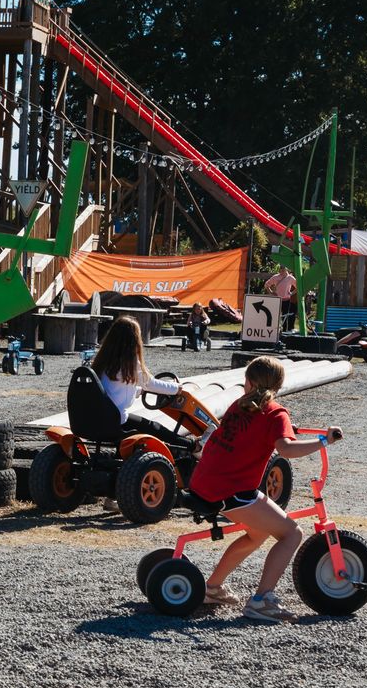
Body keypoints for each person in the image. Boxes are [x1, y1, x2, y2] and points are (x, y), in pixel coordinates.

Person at [188, 356, 341, 622]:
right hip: (232, 491)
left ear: (249, 382)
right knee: (292, 533)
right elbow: (286, 449)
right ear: (278, 386)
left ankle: (212, 588)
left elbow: (255, 433)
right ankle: (262, 600)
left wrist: (284, 431)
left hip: (206, 483)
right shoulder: (275, 412)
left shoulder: (238, 405)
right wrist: (323, 441)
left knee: (256, 535)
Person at [92, 315, 181, 440]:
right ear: (133, 340)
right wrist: (177, 388)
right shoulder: (130, 362)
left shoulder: (103, 359)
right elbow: (150, 384)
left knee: (145, 424)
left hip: (98, 417)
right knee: (153, 427)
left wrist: (139, 391)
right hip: (116, 420)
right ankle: (191, 445)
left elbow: (113, 388)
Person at [265, 266, 296, 334]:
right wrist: (271, 293)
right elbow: (267, 285)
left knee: (285, 316)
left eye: (283, 268)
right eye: (280, 268)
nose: (281, 270)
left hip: (286, 299)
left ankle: (284, 331)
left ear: (286, 269)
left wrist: (291, 293)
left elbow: (298, 286)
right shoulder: (275, 277)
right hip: (277, 299)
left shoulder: (290, 278)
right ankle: (273, 331)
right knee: (275, 316)